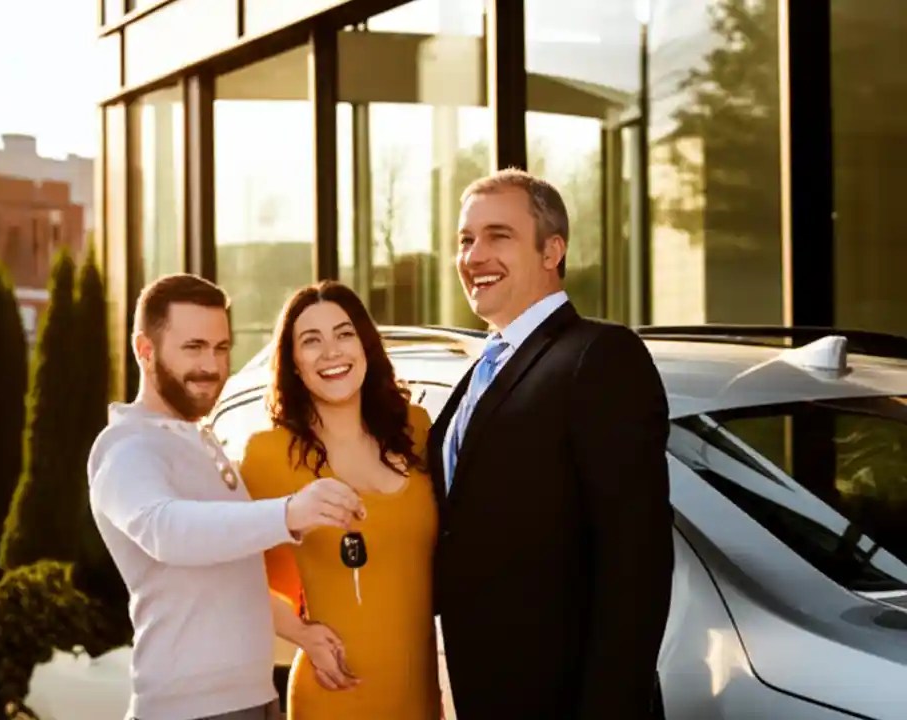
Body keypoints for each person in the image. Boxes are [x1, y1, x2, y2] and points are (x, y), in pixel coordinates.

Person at [431, 169, 673, 719]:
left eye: (499, 235)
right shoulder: (482, 371)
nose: (474, 256)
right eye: (465, 240)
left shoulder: (599, 356)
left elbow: (638, 558)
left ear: (552, 250)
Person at [87, 273, 367, 720]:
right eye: (193, 347)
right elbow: (168, 532)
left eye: (220, 348)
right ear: (144, 349)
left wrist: (300, 631)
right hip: (188, 711)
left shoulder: (199, 440)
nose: (212, 366)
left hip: (253, 701)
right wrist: (290, 512)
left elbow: (229, 575)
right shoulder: (126, 448)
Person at [239, 280, 441, 719]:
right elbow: (231, 577)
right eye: (311, 341)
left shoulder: (417, 430)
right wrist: (301, 633)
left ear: (365, 345)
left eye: (344, 334)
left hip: (421, 697)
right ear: (292, 362)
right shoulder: (268, 455)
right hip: (331, 698)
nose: (331, 352)